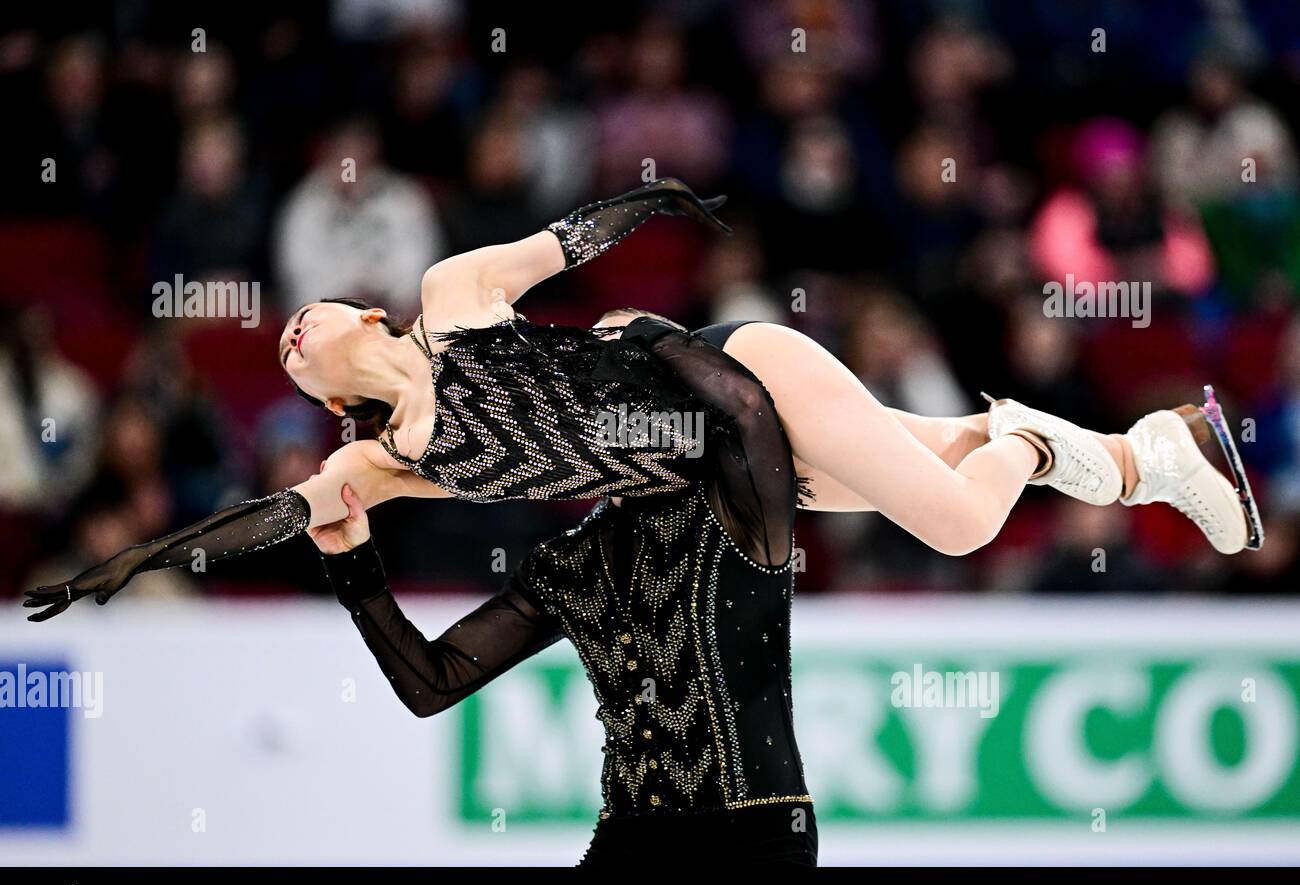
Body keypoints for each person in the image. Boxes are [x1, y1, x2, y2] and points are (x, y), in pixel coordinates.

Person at [24, 177, 1263, 622]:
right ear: (315, 380)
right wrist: (127, 561)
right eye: (287, 357)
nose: (294, 341)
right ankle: (1152, 452)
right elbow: (267, 518)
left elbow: (567, 241)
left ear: (362, 315)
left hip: (732, 374)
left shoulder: (451, 291)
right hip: (707, 461)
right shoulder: (382, 461)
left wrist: (661, 201)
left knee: (958, 516)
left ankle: (1033, 431)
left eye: (308, 325)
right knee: (936, 463)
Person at [310, 316, 818, 866]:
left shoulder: (733, 508)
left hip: (755, 836)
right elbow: (432, 683)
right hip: (629, 839)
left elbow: (746, 405)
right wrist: (353, 563)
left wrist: (643, 331)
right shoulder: (567, 562)